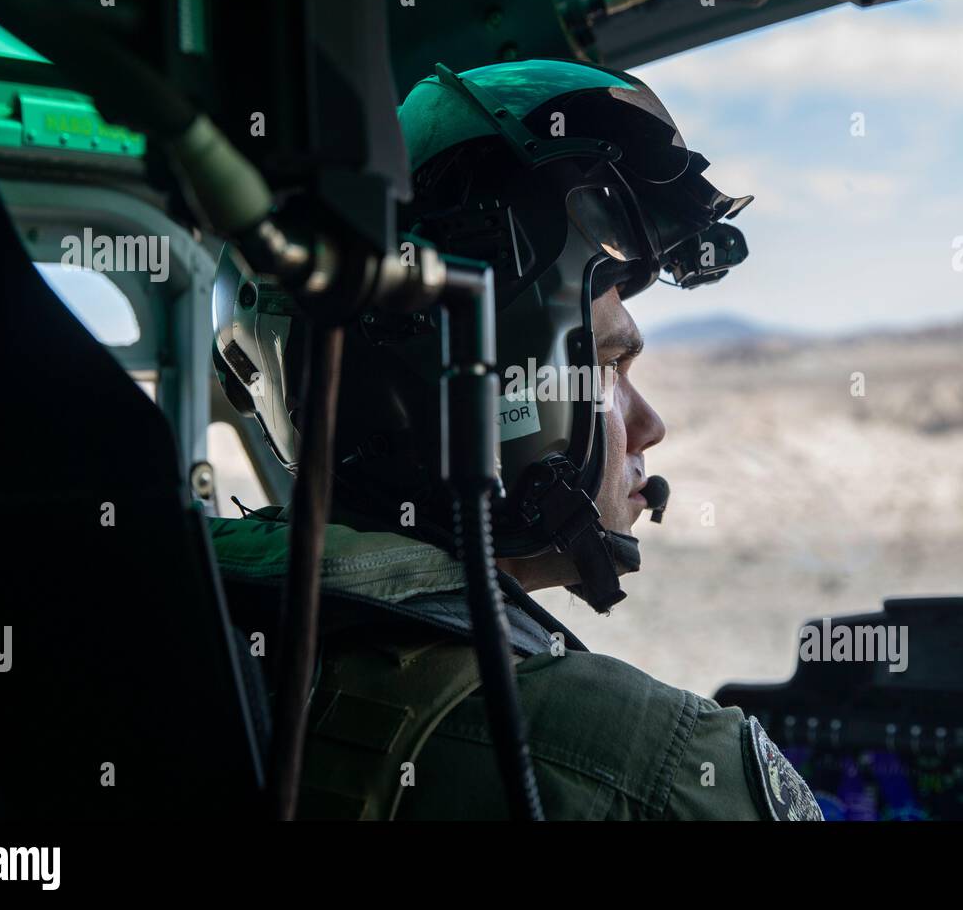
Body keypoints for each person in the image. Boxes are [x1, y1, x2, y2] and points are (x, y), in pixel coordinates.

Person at [210, 58, 824, 821]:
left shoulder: (191, 606)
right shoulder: (653, 767)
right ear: (481, 390)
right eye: (605, 365)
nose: (650, 426)